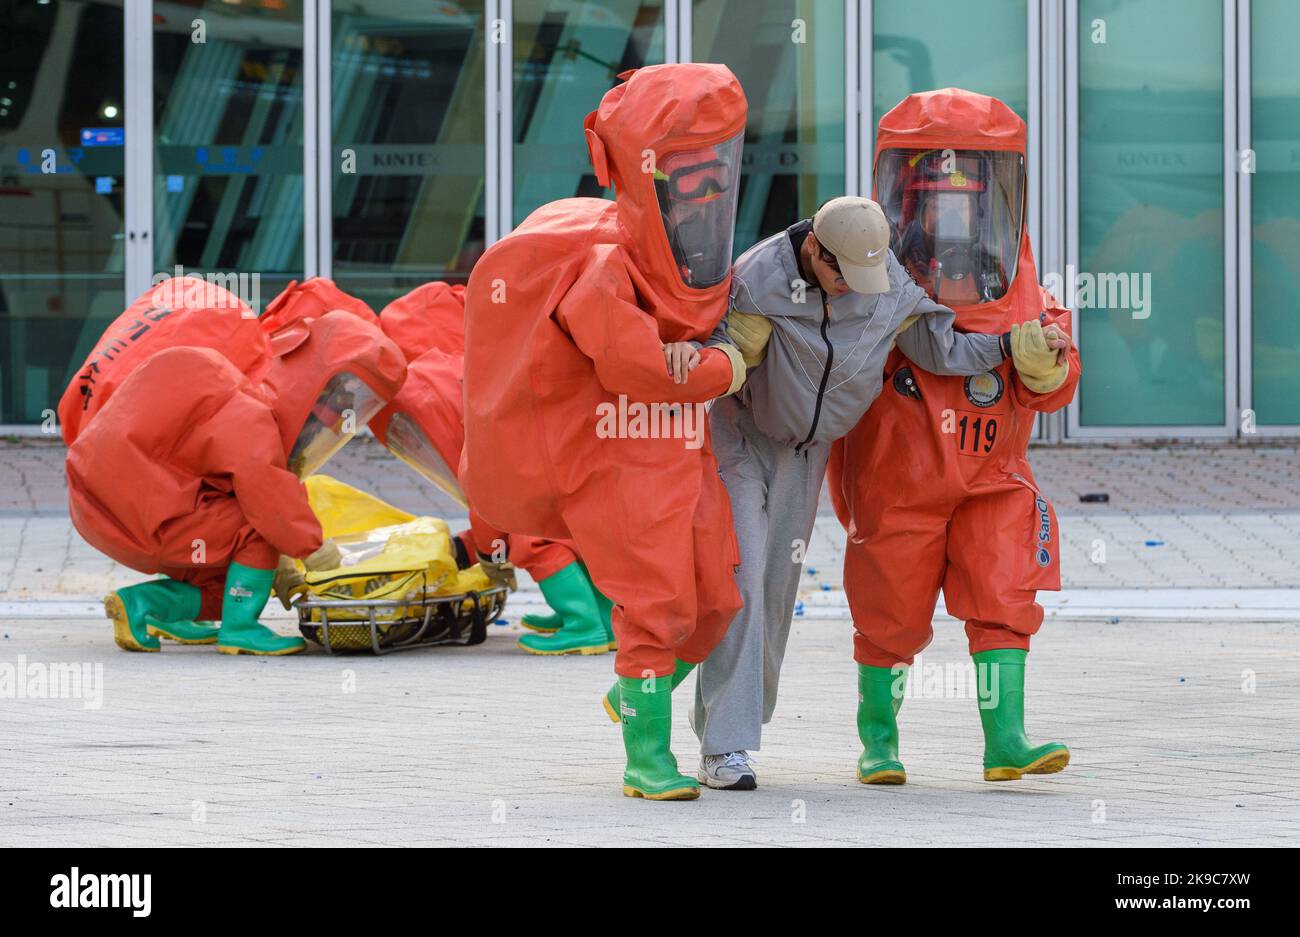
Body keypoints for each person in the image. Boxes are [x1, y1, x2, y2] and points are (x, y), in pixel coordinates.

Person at [603, 191, 1066, 790]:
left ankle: (649, 688)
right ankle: (725, 749)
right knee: (737, 584)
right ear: (816, 252)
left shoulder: (885, 279)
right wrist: (689, 363)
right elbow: (726, 361)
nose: (855, 289)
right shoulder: (757, 278)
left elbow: (940, 347)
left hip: (809, 454)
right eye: (843, 276)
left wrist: (1011, 346)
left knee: (772, 591)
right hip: (741, 440)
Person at [461, 63, 749, 800]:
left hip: (681, 451)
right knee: (655, 606)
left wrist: (700, 361)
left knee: (716, 599)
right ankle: (644, 754)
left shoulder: (687, 265)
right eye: (686, 179)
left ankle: (634, 696)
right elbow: (637, 367)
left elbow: (669, 359)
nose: (704, 196)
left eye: (712, 175)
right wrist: (723, 365)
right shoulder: (602, 268)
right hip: (617, 460)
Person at [828, 88, 1080, 785]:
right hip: (896, 475)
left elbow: (1057, 371)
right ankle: (878, 742)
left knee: (1004, 595)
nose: (953, 218)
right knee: (888, 612)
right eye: (937, 199)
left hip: (992, 475)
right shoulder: (872, 278)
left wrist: (1046, 366)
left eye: (968, 201)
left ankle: (1007, 739)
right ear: (906, 199)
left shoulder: (1018, 278)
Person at [65, 284, 407, 656]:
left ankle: (147, 606)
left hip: (101, 509)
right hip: (140, 513)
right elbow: (270, 497)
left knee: (222, 574)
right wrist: (312, 552)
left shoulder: (223, 382)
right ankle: (240, 629)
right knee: (256, 529)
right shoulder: (248, 409)